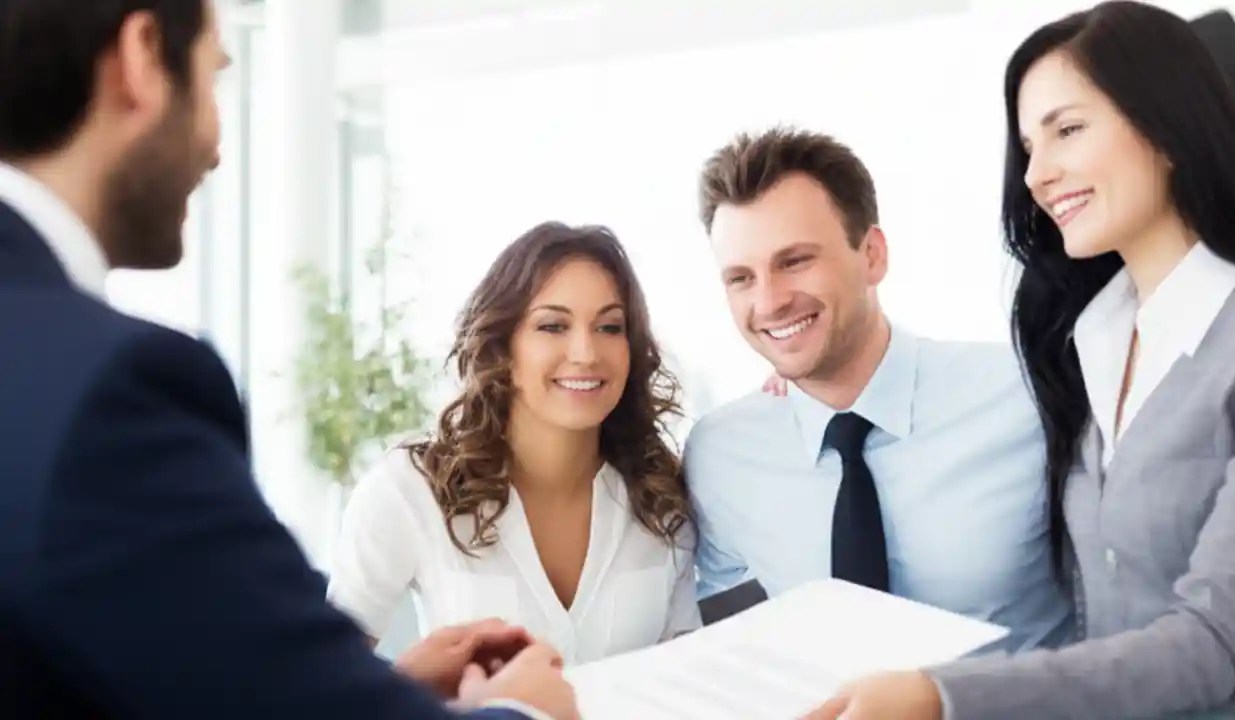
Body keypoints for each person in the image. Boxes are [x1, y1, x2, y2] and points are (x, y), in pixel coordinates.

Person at [0, 1, 576, 718]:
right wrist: (522, 712)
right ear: (143, 57)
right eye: (214, 80)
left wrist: (377, 689)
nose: (215, 146)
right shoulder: (109, 391)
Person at [805, 2, 1235, 718]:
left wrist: (942, 695)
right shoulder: (1090, 345)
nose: (1036, 173)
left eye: (1068, 129)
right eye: (1030, 144)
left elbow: (1212, 644)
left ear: (1169, 126)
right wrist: (809, 381)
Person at [684, 126, 1073, 652]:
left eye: (794, 261)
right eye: (740, 278)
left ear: (872, 255)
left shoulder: (1026, 397)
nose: (770, 301)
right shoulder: (722, 453)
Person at [328, 222, 699, 666]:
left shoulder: (662, 501)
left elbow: (689, 681)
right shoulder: (410, 489)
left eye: (609, 326)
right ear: (503, 348)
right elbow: (322, 683)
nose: (585, 352)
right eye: (553, 325)